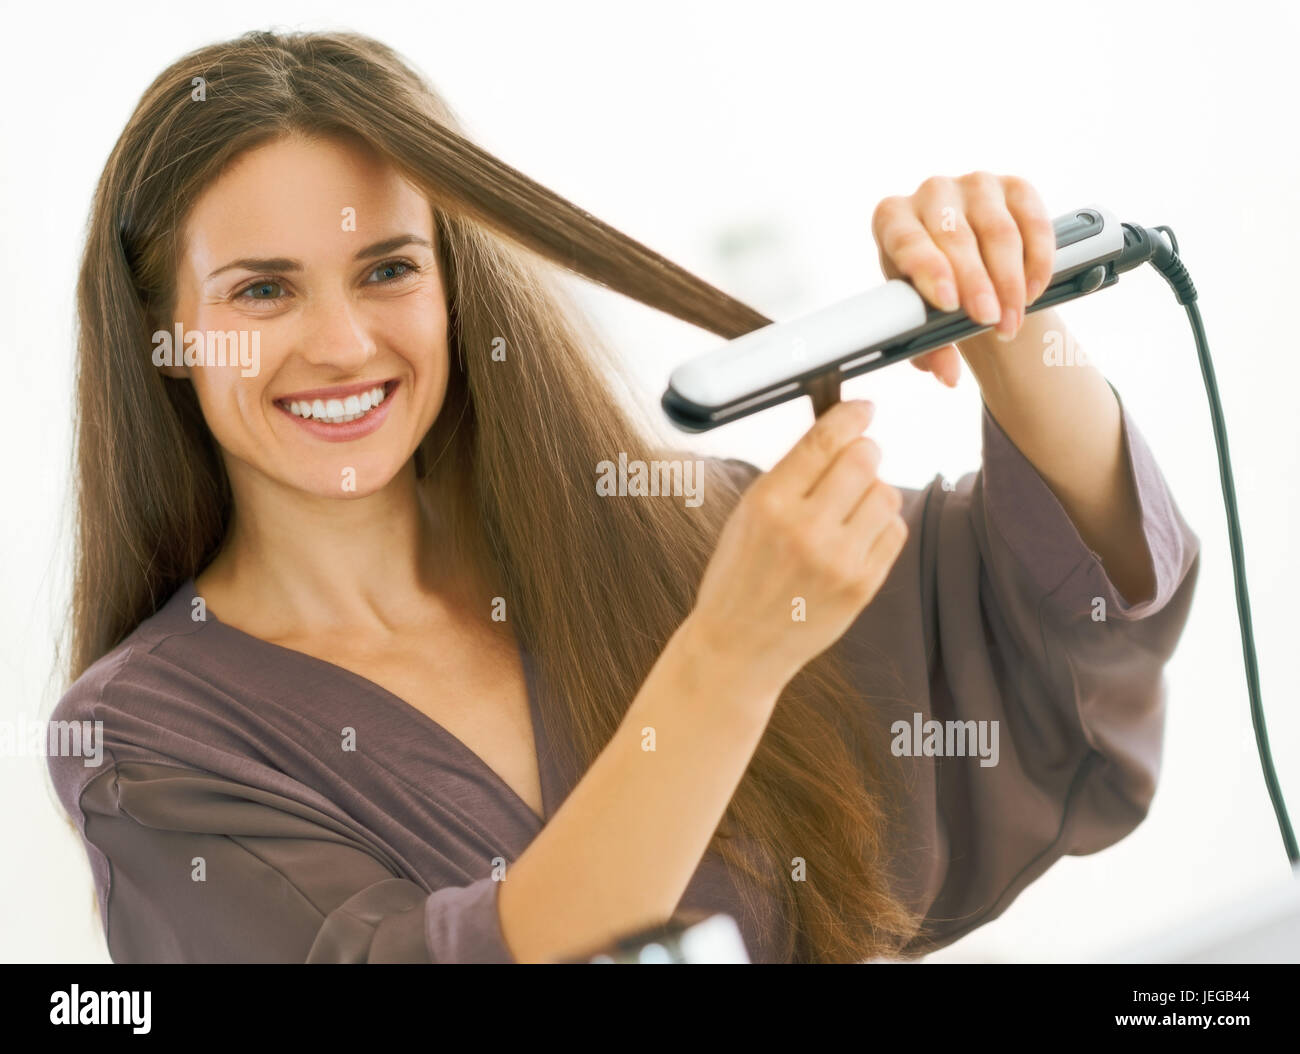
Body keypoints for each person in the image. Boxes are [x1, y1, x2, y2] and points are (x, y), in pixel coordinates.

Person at [45, 29, 1200, 964]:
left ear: (455, 283)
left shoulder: (672, 538)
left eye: (389, 267)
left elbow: (1070, 617)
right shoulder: (147, 745)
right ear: (166, 335)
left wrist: (1010, 312)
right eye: (261, 291)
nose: (344, 343)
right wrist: (725, 663)